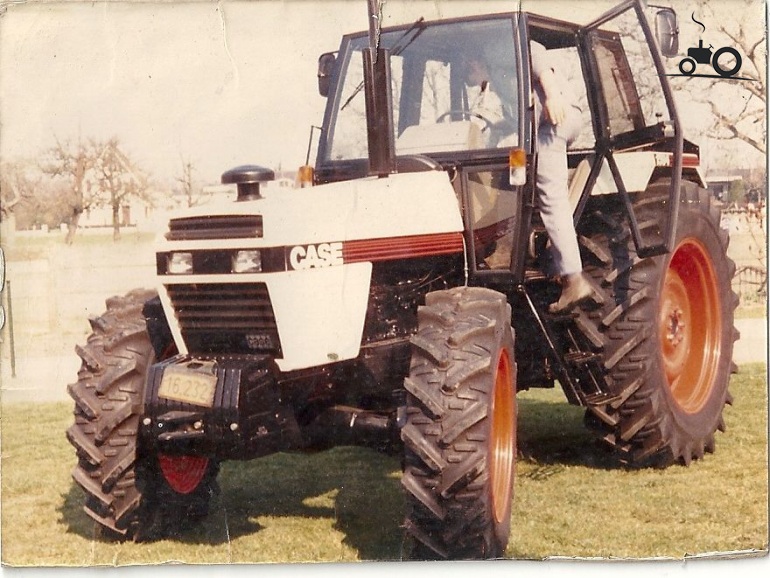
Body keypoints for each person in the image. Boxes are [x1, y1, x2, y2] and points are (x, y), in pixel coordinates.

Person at [530, 41, 593, 313]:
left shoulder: (498, 42)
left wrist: (552, 95)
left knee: (552, 198)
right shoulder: (495, 72)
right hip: (557, 115)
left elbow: (536, 55)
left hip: (554, 116)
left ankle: (572, 278)